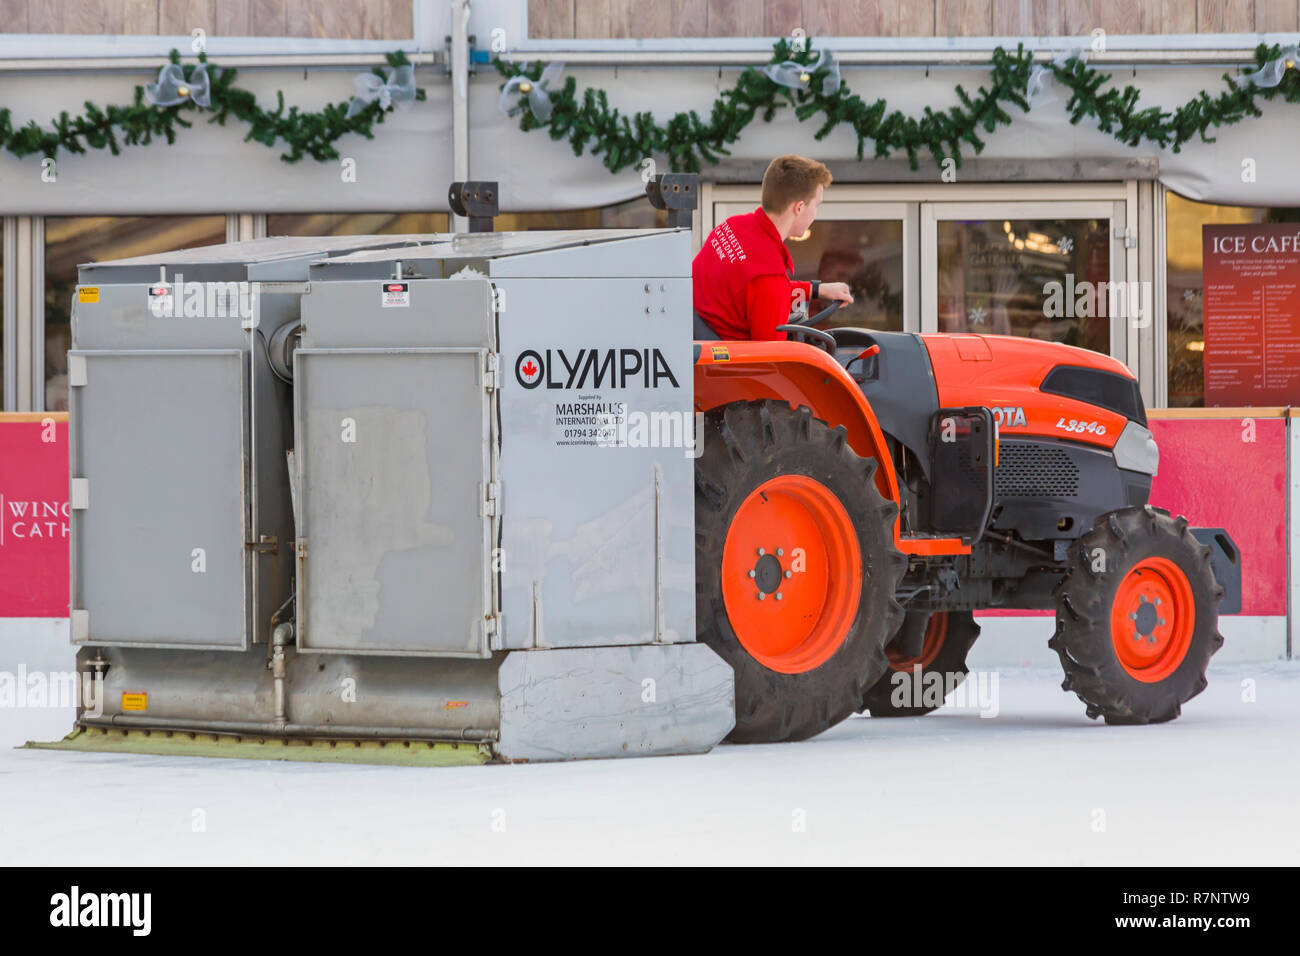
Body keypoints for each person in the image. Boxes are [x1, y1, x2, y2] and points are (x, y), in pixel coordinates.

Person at [692, 154, 854, 341]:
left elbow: (757, 293)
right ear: (799, 208)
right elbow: (771, 361)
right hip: (729, 367)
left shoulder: (731, 227)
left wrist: (818, 290)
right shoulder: (768, 275)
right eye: (816, 205)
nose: (815, 214)